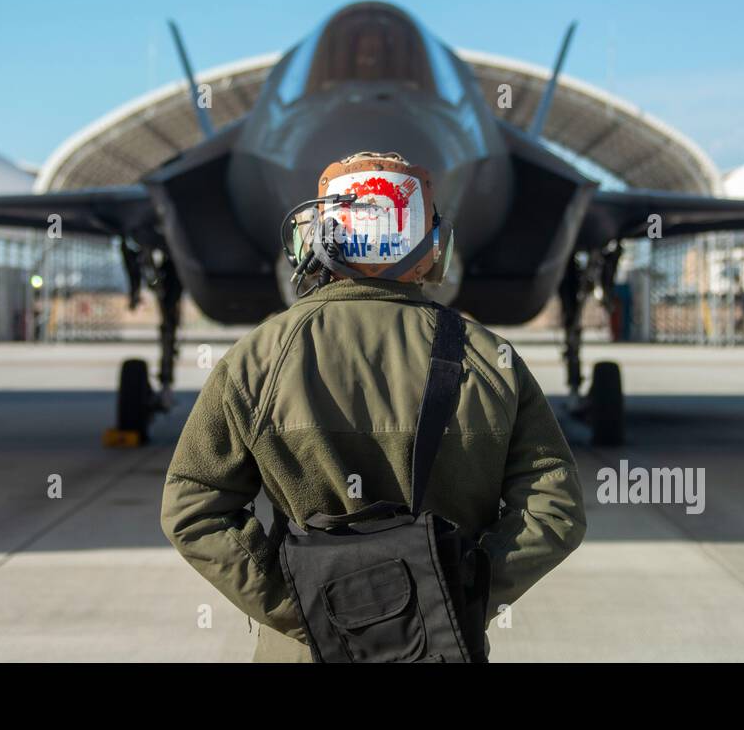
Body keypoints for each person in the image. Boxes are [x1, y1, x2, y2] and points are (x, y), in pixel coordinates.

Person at [160, 151, 586, 662]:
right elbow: (554, 508)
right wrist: (455, 597)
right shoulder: (491, 359)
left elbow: (192, 508)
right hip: (442, 644)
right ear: (433, 247)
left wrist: (305, 607)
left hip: (305, 649)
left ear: (315, 241)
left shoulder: (256, 358)